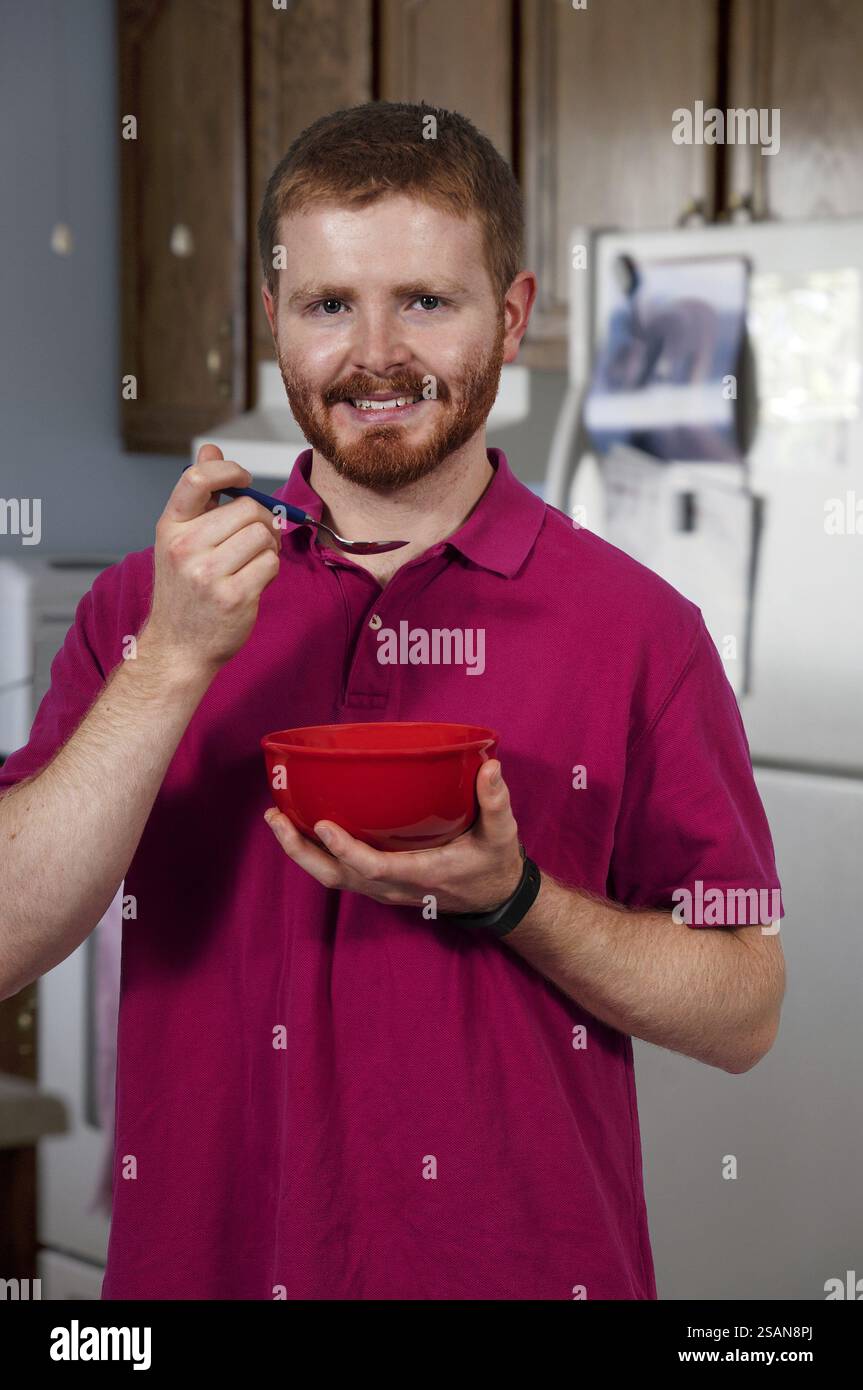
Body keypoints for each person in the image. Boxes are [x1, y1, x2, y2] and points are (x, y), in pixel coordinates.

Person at [0, 101, 785, 1300]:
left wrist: (515, 899)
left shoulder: (642, 632)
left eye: (424, 300)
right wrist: (172, 661)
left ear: (510, 316)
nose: (373, 354)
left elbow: (743, 1008)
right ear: (272, 321)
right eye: (327, 305)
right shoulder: (147, 608)